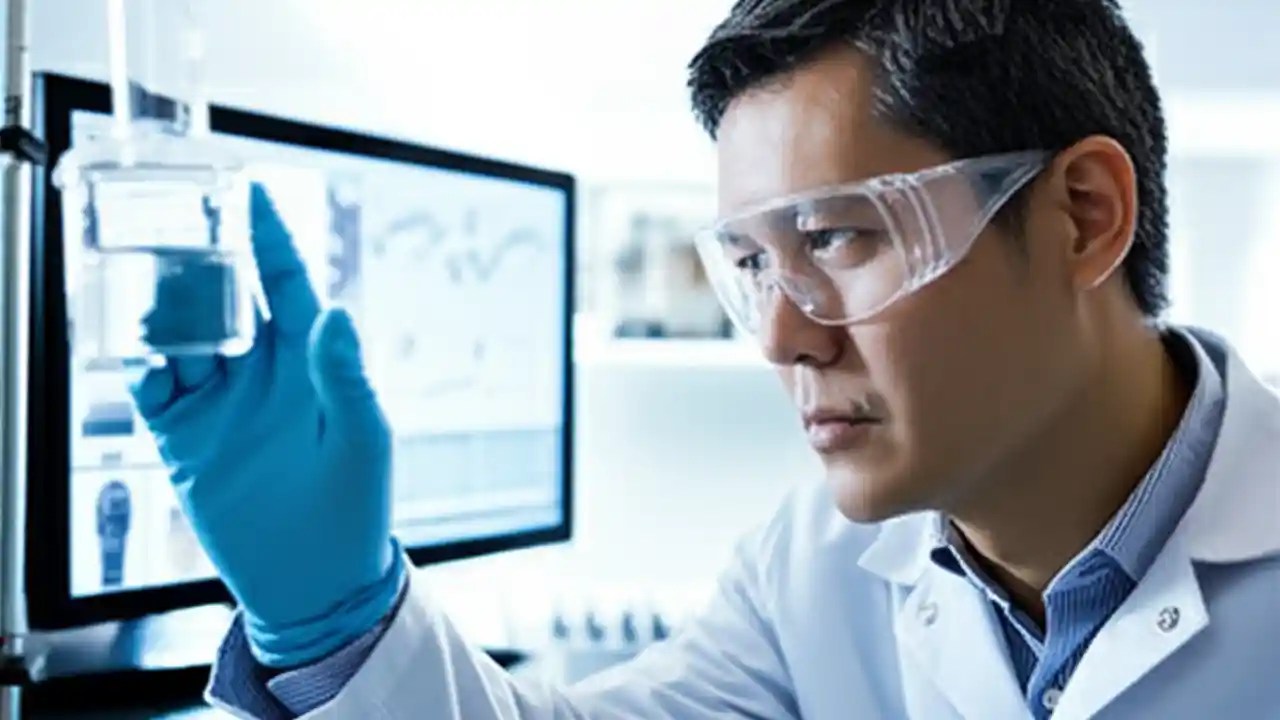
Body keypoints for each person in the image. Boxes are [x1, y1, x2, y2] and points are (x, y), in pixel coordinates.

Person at [131, 1, 1280, 718]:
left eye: (836, 237)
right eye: (753, 264)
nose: (783, 337)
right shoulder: (816, 567)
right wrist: (328, 618)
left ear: (1081, 216)